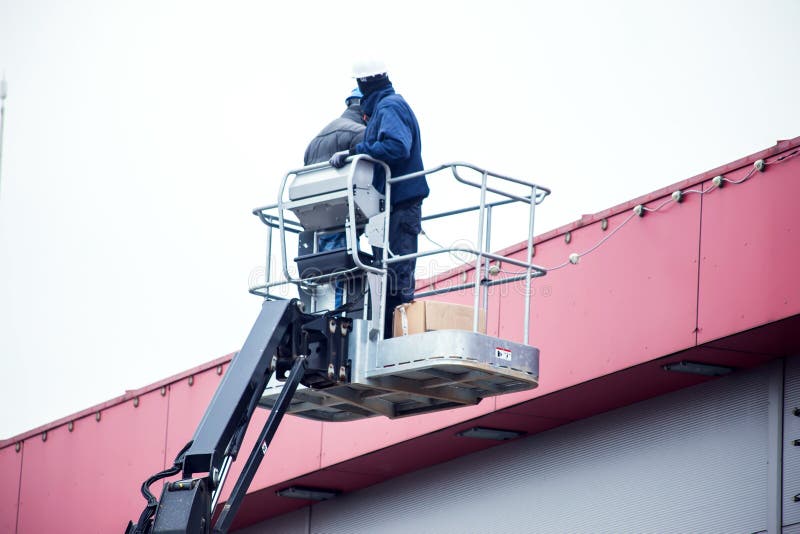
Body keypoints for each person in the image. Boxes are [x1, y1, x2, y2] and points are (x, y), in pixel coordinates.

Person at [330, 60, 429, 337]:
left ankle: (396, 338)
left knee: (396, 278)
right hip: (391, 208)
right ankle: (387, 335)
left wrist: (356, 152)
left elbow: (397, 146)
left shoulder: (389, 107)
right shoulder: (386, 107)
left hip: (401, 206)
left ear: (364, 85)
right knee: (385, 277)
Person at [301, 88, 366, 309]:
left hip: (315, 221)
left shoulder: (315, 140)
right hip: (345, 215)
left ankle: (323, 313)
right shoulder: (359, 132)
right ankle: (338, 315)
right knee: (343, 273)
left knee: (323, 274)